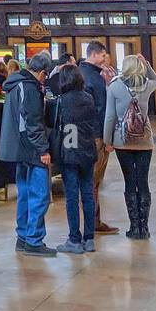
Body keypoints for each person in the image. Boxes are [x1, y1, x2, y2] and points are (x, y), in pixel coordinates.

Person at [0, 51, 54, 257]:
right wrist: (43, 149)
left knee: (23, 193)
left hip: (16, 148)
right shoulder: (29, 88)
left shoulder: (15, 84)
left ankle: (23, 237)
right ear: (41, 73)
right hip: (30, 148)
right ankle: (34, 239)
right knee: (39, 194)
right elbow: (32, 122)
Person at [104, 53, 156, 239]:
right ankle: (145, 227)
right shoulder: (147, 86)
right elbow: (155, 79)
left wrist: (107, 141)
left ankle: (134, 227)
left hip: (122, 141)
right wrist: (147, 63)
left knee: (130, 181)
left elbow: (110, 117)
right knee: (143, 181)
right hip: (144, 140)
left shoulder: (114, 86)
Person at [52, 65, 98, 254]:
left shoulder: (62, 101)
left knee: (71, 196)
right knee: (87, 194)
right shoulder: (88, 98)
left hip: (70, 151)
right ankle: (89, 238)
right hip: (87, 150)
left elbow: (54, 124)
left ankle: (74, 239)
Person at [79, 41, 118, 236]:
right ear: (94, 54)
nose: (106, 59)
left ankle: (92, 220)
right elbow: (103, 110)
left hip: (84, 133)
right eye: (103, 55)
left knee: (91, 180)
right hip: (97, 136)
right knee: (93, 180)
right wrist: (107, 137)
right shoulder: (94, 78)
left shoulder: (81, 73)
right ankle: (92, 221)